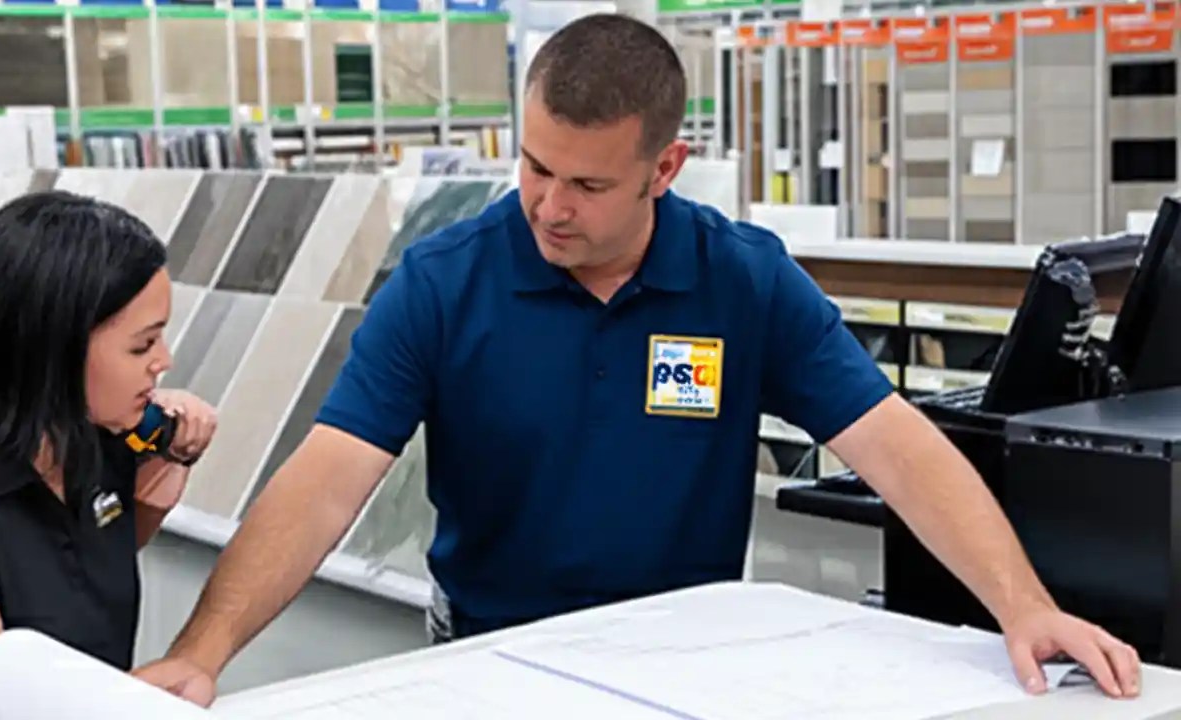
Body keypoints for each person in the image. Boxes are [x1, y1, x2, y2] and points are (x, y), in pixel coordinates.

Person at [135, 13, 1140, 706]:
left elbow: (897, 447)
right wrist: (199, 655)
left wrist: (1025, 608)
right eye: (533, 165)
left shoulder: (742, 281)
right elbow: (323, 482)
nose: (547, 205)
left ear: (664, 168)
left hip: (685, 662)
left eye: (585, 184)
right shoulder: (443, 284)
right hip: (494, 657)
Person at [0, 192, 217, 720]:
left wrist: (173, 451)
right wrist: (127, 702)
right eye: (142, 346)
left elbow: (92, 556)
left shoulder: (101, 428)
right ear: (51, 348)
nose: (164, 361)